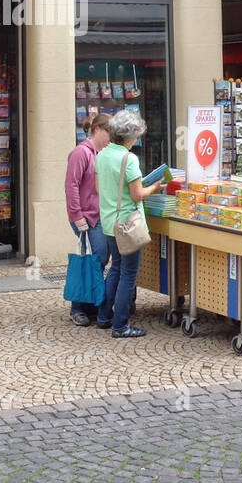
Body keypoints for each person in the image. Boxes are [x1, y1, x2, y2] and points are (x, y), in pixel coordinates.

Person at [95, 109, 163, 338]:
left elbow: (99, 189)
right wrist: (154, 187)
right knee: (128, 274)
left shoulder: (102, 155)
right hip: (128, 224)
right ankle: (121, 325)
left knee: (115, 269)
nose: (137, 140)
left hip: (109, 222)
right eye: (137, 135)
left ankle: (104, 316)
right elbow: (137, 195)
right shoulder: (129, 158)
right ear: (130, 136)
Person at [65, 114, 112, 327]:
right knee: (93, 260)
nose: (111, 137)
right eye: (108, 132)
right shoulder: (81, 153)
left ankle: (89, 303)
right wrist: (77, 215)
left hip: (100, 215)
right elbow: (71, 185)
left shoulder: (102, 153)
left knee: (97, 259)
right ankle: (78, 307)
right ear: (97, 130)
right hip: (86, 216)